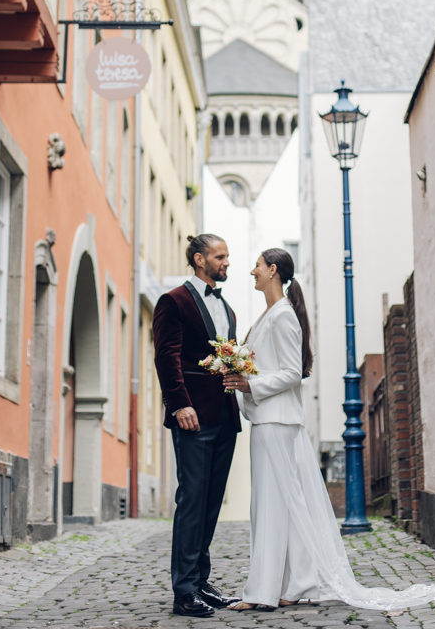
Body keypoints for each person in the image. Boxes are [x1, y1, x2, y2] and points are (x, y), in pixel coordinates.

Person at [223, 247, 435, 613]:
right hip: (268, 419)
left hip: (277, 420)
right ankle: (295, 584)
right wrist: (239, 379)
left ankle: (262, 592)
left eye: (257, 266)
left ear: (273, 271)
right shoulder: (268, 315)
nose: (252, 271)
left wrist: (251, 385)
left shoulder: (283, 315)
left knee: (270, 505)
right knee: (281, 504)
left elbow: (292, 373)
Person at [153, 233, 241, 619]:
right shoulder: (173, 301)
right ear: (199, 259)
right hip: (191, 415)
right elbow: (165, 357)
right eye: (220, 257)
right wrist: (179, 404)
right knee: (191, 500)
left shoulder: (229, 309)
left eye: (227, 257)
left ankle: (201, 581)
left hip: (224, 416)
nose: (226, 263)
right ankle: (184, 591)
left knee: (209, 502)